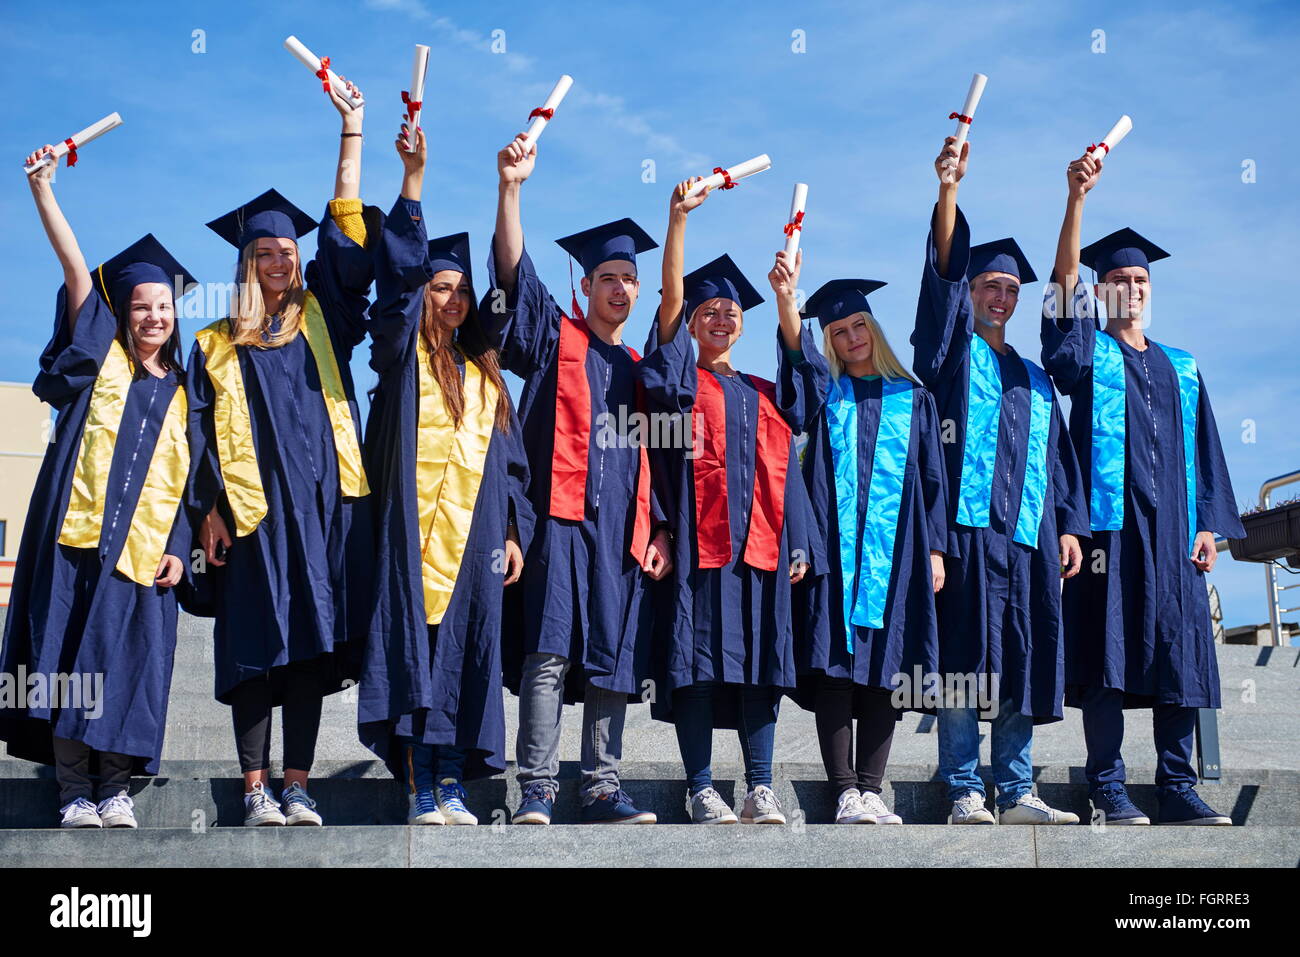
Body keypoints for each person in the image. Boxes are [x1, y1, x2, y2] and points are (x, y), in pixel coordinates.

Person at [186, 76, 374, 827]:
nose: (279, 259)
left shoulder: (324, 318)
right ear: (245, 260)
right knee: (258, 650)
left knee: (311, 652)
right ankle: (254, 784)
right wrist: (205, 510)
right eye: (264, 250)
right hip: (254, 517)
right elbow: (196, 433)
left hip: (324, 513)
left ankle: (297, 782)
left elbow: (349, 247)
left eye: (286, 249)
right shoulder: (213, 343)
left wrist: (350, 136)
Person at [1040, 148, 1245, 826]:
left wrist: (1210, 525)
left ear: (1150, 286)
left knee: (1180, 658)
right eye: (1118, 278)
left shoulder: (1182, 367)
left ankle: (1179, 785)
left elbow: (1208, 452)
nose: (1130, 285)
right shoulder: (1085, 354)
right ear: (1100, 290)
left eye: (1139, 277)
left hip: (1175, 542)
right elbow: (1062, 289)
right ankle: (1107, 784)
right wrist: (1076, 201)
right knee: (1105, 658)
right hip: (1109, 535)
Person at [0, 147, 194, 828]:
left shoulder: (184, 392)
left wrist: (179, 543)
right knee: (63, 654)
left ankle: (116, 787)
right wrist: (44, 193)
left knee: (130, 663)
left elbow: (192, 480)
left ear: (176, 314)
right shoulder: (97, 364)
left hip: (143, 555)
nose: (152, 317)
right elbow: (78, 273)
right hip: (73, 540)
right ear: (122, 315)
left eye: (163, 306)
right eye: (140, 306)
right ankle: (72, 788)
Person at [487, 134, 673, 825]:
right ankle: (535, 787)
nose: (620, 288)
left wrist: (659, 526)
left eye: (629, 279)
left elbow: (661, 455)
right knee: (548, 651)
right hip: (557, 521)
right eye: (607, 278)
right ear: (585, 286)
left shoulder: (639, 368)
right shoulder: (550, 338)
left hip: (620, 532)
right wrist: (511, 190)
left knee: (612, 662)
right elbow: (512, 275)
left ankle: (600, 785)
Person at [358, 125, 534, 826]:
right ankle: (418, 783)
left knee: (467, 655)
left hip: (474, 542)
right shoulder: (402, 358)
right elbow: (393, 295)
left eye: (462, 290)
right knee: (416, 655)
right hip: (410, 540)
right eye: (440, 286)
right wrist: (414, 179)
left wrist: (515, 531)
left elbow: (511, 464)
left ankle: (452, 781)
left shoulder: (486, 375)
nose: (454, 299)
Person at [913, 136, 1089, 825]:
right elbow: (942, 281)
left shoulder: (1035, 377)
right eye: (990, 285)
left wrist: (1071, 524)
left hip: (1028, 543)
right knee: (963, 659)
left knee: (1023, 657)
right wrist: (949, 190)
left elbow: (1059, 457)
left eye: (1012, 290)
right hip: (964, 535)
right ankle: (962, 785)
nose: (1001, 296)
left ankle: (1016, 789)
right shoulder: (952, 357)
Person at [637, 178, 821, 825]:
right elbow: (661, 338)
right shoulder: (679, 382)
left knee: (761, 671)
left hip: (764, 553)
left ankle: (760, 785)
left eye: (731, 311)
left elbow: (808, 408)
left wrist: (785, 297)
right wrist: (677, 224)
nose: (722, 316)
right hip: (699, 550)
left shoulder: (767, 390)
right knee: (696, 668)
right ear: (692, 324)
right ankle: (701, 786)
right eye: (707, 310)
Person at [775, 256, 949, 825]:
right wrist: (787, 299)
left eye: (858, 327)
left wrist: (936, 549)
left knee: (886, 666)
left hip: (897, 556)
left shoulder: (912, 398)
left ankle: (872, 789)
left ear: (873, 329)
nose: (850, 339)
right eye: (837, 332)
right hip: (834, 554)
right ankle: (845, 790)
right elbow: (795, 380)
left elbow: (932, 481)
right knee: (836, 668)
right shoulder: (825, 397)